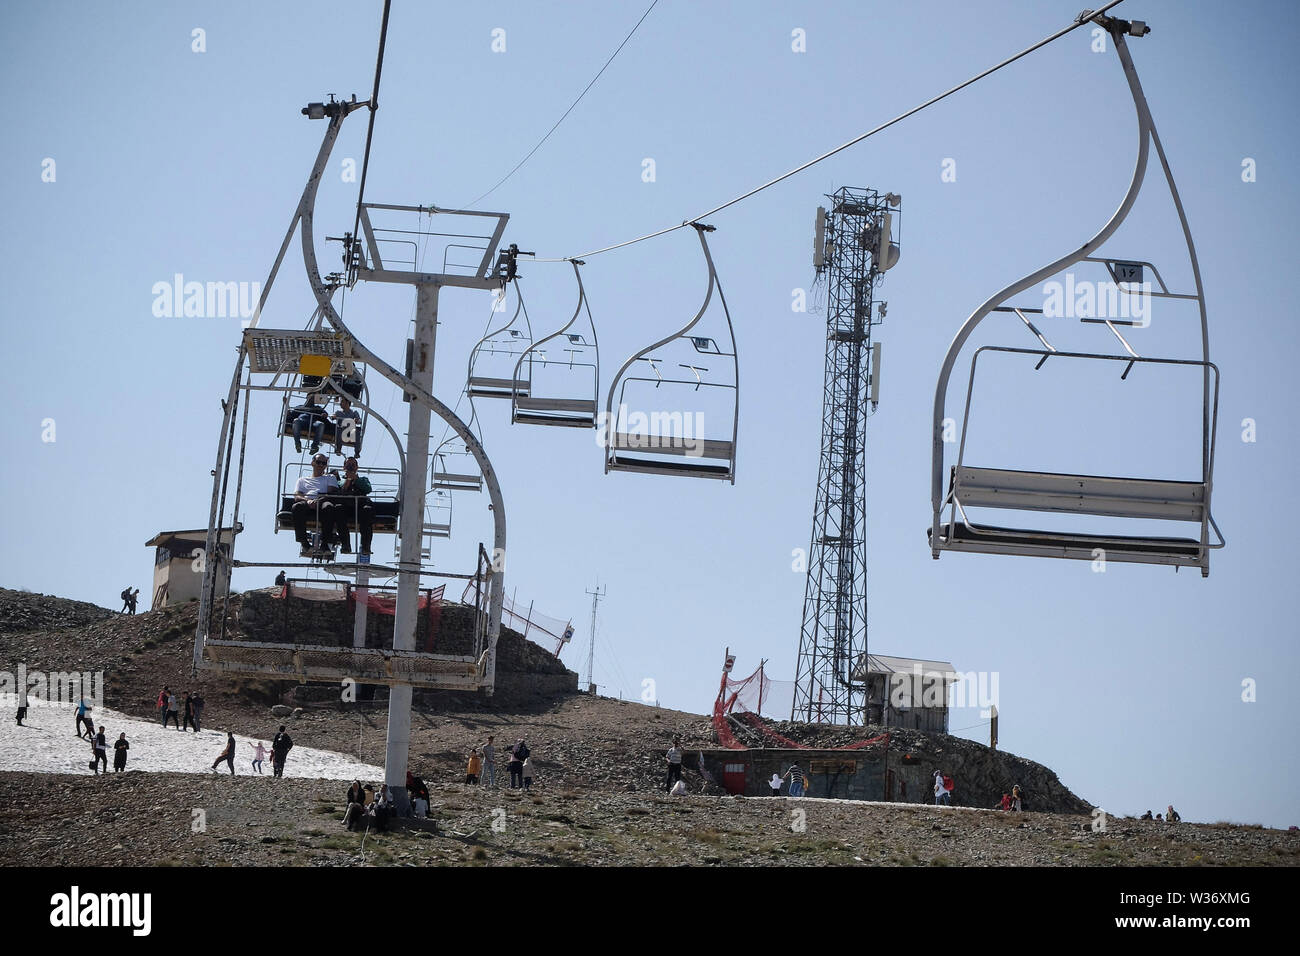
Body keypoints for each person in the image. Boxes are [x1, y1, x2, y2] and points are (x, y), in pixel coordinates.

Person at [291, 453, 347, 555]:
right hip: (307, 502)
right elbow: (297, 496)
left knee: (329, 507)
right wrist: (307, 500)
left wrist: (318, 501)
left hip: (323, 501)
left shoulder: (330, 477)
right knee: (297, 507)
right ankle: (304, 542)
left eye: (323, 463)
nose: (321, 465)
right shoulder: (302, 480)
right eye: (318, 462)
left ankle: (325, 543)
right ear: (312, 463)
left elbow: (331, 494)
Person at [336, 457, 374, 555]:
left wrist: (355, 479)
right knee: (338, 509)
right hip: (346, 507)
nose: (351, 467)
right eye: (348, 465)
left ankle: (365, 546)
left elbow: (368, 489)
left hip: (360, 506)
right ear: (344, 467)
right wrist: (348, 479)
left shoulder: (363, 479)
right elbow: (341, 490)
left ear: (357, 467)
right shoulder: (340, 481)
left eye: (353, 465)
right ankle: (346, 545)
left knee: (367, 510)